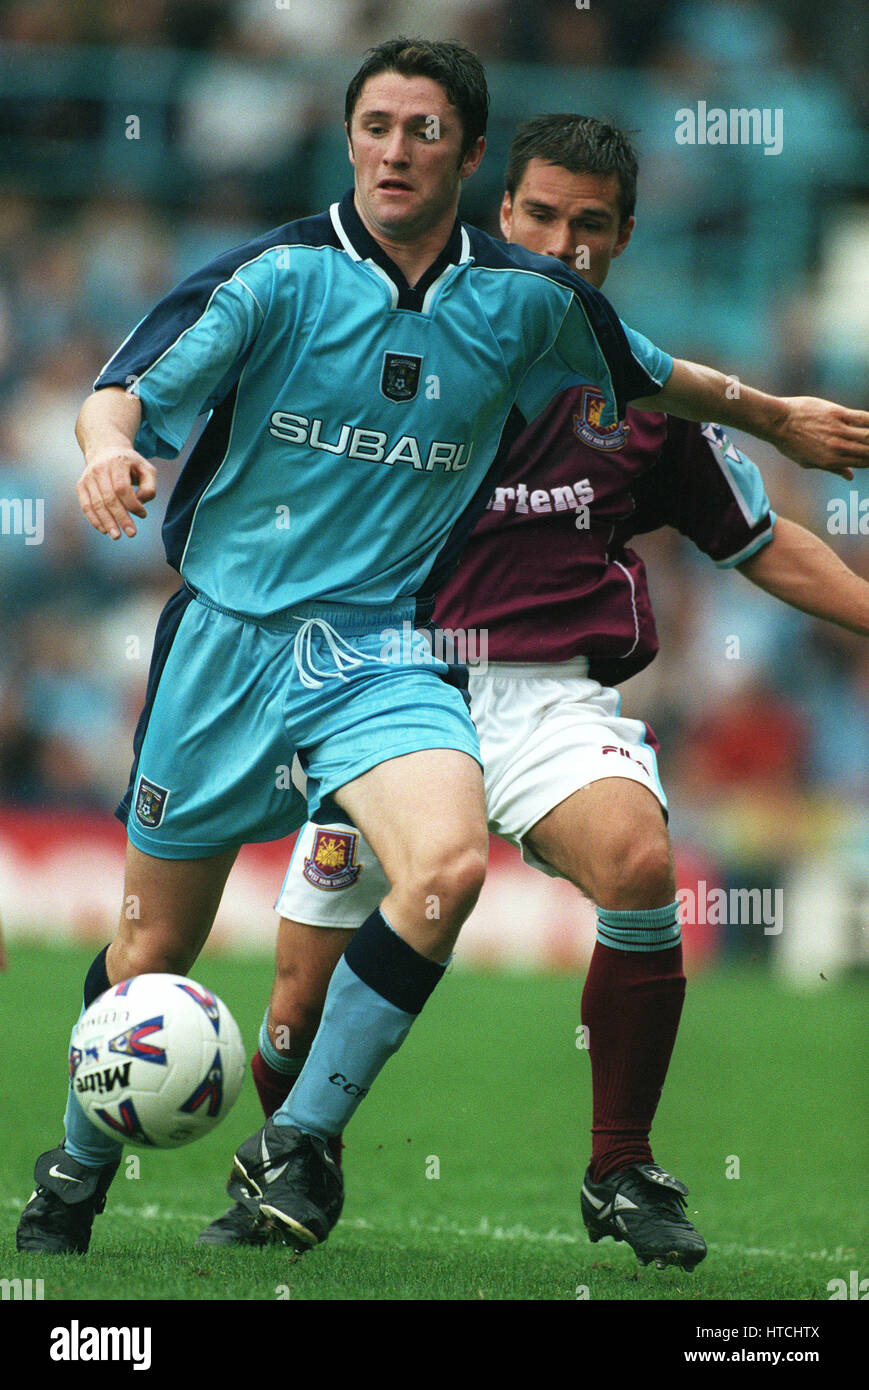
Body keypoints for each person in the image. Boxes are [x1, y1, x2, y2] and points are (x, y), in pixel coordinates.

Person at [16, 40, 869, 1261]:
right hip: (227, 643)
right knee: (157, 947)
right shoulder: (277, 278)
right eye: (374, 125)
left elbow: (669, 386)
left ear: (463, 158)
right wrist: (106, 450)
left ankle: (311, 1145)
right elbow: (125, 392)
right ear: (355, 142)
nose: (394, 149)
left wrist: (777, 413)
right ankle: (77, 1166)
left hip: (386, 652)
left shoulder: (537, 313)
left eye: (423, 130)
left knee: (452, 868)